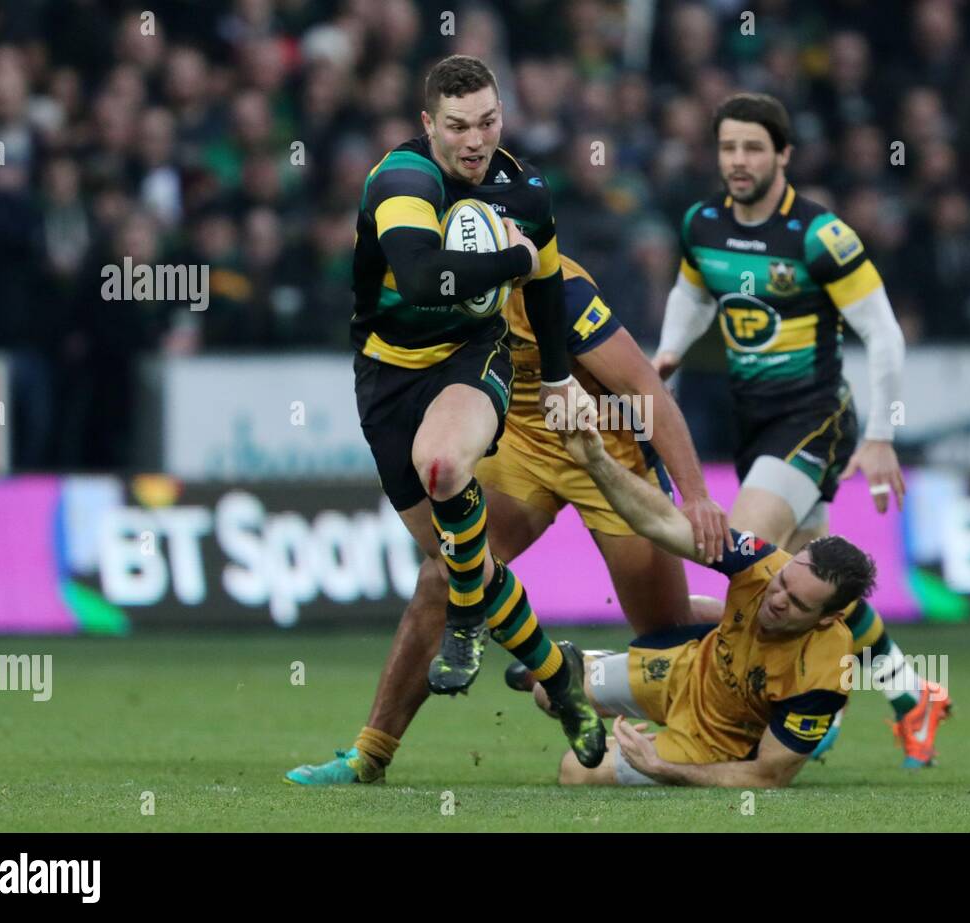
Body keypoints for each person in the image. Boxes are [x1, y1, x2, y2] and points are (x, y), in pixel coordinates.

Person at [286, 252, 729, 785]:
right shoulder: (440, 284)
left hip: (606, 451)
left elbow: (647, 391)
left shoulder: (561, 290)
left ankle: (755, 639)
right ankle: (370, 754)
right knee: (447, 571)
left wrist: (697, 494)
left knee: (665, 636)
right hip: (521, 442)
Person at [650, 93, 949, 766]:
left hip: (814, 416)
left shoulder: (819, 235)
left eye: (753, 147)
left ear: (783, 154)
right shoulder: (703, 224)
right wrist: (666, 353)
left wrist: (881, 436)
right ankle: (909, 693)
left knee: (738, 556)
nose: (738, 160)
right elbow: (692, 293)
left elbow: (884, 333)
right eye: (728, 147)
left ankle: (744, 710)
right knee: (811, 589)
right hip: (752, 417)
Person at [346, 53, 602, 771]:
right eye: (457, 125)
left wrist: (557, 380)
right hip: (387, 380)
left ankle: (464, 623)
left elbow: (548, 292)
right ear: (429, 123)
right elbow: (424, 278)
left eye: (488, 121)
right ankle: (562, 682)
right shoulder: (401, 179)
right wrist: (513, 262)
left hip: (471, 358)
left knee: (444, 462)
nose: (474, 139)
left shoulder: (525, 191)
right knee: (466, 556)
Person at [511, 413, 949, 786]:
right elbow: (664, 525)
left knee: (573, 770)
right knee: (549, 696)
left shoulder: (823, 677)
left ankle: (909, 694)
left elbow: (768, 777)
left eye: (796, 603)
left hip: (711, 742)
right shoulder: (761, 561)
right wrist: (597, 462)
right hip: (682, 672)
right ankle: (601, 659)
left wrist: (659, 766)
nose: (776, 599)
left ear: (826, 619)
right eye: (782, 583)